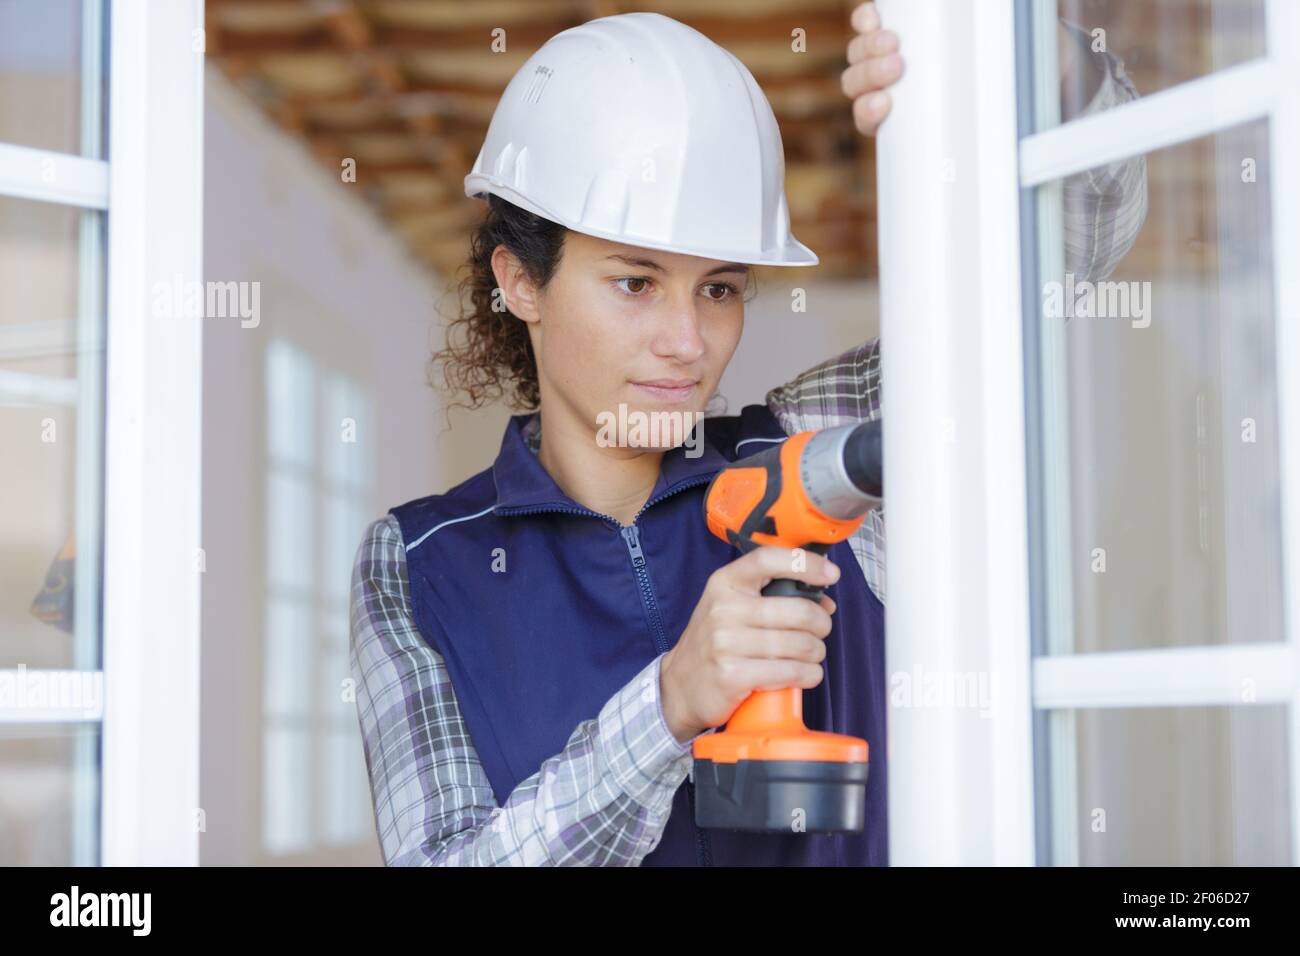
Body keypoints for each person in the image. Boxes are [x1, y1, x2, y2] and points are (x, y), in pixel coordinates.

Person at [349, 3, 1145, 866]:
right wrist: (667, 706)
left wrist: (1029, 67)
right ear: (522, 283)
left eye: (719, 289)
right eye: (635, 284)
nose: (689, 342)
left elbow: (1060, 258)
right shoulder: (417, 565)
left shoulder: (812, 449)